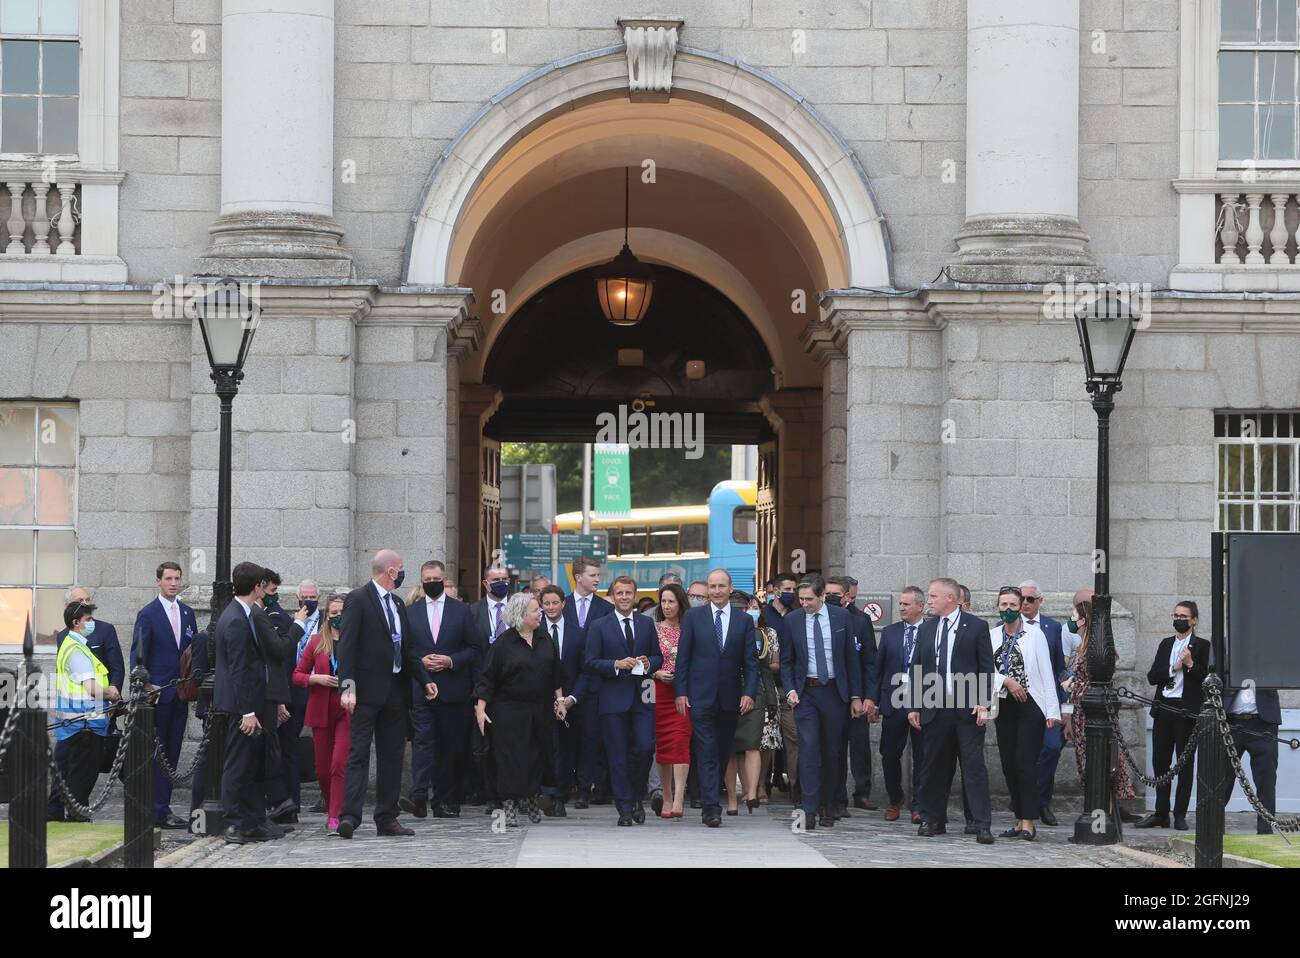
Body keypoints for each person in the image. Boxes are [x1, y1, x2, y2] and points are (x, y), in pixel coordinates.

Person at [336, 549, 438, 839]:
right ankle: (350, 816)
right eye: (401, 568)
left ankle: (386, 817)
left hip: (395, 691)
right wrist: (347, 688)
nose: (403, 573)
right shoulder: (359, 598)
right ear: (391, 572)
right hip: (365, 692)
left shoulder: (396, 603)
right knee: (358, 754)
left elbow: (407, 649)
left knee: (392, 756)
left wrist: (424, 678)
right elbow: (347, 646)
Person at [908, 577, 995, 843]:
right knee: (933, 766)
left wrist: (984, 702)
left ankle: (981, 824)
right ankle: (932, 819)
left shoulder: (976, 626)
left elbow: (986, 667)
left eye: (933, 596)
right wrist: (913, 705)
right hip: (935, 709)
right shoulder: (926, 628)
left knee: (973, 767)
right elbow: (916, 668)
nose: (929, 601)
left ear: (950, 598)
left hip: (967, 710)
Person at [675, 568, 759, 827]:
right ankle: (711, 808)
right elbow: (684, 658)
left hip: (730, 698)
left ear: (730, 588)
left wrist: (749, 693)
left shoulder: (744, 621)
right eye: (712, 586)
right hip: (700, 697)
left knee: (723, 752)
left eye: (721, 586)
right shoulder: (693, 616)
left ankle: (709, 795)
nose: (716, 591)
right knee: (707, 750)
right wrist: (681, 691)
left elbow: (751, 663)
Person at [778, 575, 863, 830]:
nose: (804, 604)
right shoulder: (792, 621)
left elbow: (851, 660)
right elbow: (786, 661)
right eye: (801, 599)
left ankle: (829, 804)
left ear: (823, 596)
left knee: (832, 751)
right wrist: (791, 689)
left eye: (809, 599)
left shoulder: (841, 618)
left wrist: (856, 696)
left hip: (835, 693)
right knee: (809, 749)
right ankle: (809, 808)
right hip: (807, 694)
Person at [475, 592, 566, 827]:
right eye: (536, 610)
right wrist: (481, 708)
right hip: (508, 711)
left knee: (536, 757)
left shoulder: (546, 640)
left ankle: (532, 800)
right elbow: (487, 679)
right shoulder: (503, 644)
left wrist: (560, 701)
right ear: (521, 615)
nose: (540, 614)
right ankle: (509, 807)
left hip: (540, 709)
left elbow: (555, 675)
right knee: (511, 760)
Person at [404, 560, 479, 819]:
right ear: (421, 581)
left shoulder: (461, 611)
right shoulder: (410, 612)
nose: (432, 582)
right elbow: (405, 648)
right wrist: (420, 662)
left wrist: (451, 661)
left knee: (451, 747)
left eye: (436, 578)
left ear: (444, 579)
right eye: (427, 578)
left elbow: (474, 648)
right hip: (422, 688)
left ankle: (446, 800)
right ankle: (420, 796)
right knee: (423, 744)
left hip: (453, 688)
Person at [585, 576, 662, 825]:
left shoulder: (646, 624)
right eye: (620, 593)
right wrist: (615, 665)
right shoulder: (599, 625)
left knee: (644, 748)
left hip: (643, 696)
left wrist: (650, 662)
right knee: (617, 755)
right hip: (612, 698)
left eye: (629, 593)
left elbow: (658, 657)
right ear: (613, 596)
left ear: (635, 595)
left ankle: (638, 795)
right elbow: (590, 662)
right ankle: (625, 807)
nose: (625, 597)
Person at [129, 561, 198, 829]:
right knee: (156, 754)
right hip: (158, 695)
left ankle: (163, 806)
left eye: (177, 578)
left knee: (172, 753)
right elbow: (139, 656)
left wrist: (193, 691)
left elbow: (192, 654)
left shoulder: (188, 612)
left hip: (180, 694)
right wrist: (148, 688)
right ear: (158, 581)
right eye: (168, 578)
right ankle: (155, 808)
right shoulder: (148, 613)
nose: (173, 583)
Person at [988, 586, 1060, 840]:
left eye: (1012, 605)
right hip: (1004, 703)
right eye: (1003, 605)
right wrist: (1006, 680)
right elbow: (984, 669)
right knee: (1008, 763)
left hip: (1031, 704)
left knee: (1024, 762)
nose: (1008, 609)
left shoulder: (1035, 634)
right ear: (998, 607)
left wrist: (1053, 710)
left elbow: (1046, 672)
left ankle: (1029, 820)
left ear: (1020, 607)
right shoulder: (992, 635)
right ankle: (1019, 818)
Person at [48, 586, 123, 822]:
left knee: (71, 771)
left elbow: (115, 666)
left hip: (79, 720)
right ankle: (74, 816)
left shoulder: (76, 642)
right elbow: (90, 687)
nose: (92, 622)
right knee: (81, 775)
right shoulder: (76, 648)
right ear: (77, 621)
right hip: (84, 723)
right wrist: (110, 693)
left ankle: (65, 813)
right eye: (87, 618)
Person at [1136, 600, 1210, 831]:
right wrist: (1174, 668)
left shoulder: (1202, 646)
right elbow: (1153, 676)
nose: (1178, 619)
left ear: (1193, 620)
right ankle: (1160, 812)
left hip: (1186, 712)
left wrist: (1189, 664)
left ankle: (1180, 814)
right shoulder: (1166, 644)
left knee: (1185, 764)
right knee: (1160, 763)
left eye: (1183, 616)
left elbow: (1207, 679)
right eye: (1175, 615)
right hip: (1164, 708)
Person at [214, 562, 274, 844]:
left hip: (252, 701)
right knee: (238, 766)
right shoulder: (236, 618)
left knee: (251, 766)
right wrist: (247, 711)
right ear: (256, 586)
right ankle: (233, 822)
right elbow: (238, 669)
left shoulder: (244, 613)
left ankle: (251, 821)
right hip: (241, 706)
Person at [1062, 588, 1135, 817]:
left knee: (1099, 764)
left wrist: (1073, 686)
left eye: (1074, 616)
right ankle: (1098, 811)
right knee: (1086, 764)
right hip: (1080, 714)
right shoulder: (1081, 646)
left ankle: (1103, 813)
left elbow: (1097, 681)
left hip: (1091, 713)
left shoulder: (1093, 647)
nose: (1071, 620)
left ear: (1083, 619)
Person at [293, 593, 350, 832]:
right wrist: (316, 678)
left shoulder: (353, 640)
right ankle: (331, 804)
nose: (337, 617)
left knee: (339, 763)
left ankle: (335, 814)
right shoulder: (317, 642)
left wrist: (351, 691)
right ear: (327, 615)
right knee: (322, 769)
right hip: (321, 708)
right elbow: (297, 675)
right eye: (334, 613)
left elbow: (359, 673)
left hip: (346, 708)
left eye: (342, 613)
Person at [564, 556, 615, 807]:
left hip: (596, 685)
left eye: (598, 575)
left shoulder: (605, 609)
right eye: (593, 575)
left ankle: (589, 788)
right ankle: (565, 785)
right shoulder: (561, 606)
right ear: (578, 577)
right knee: (567, 739)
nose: (598, 579)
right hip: (567, 685)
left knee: (592, 739)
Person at [259, 570, 307, 824]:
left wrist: (280, 700)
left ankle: (286, 804)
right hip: (279, 694)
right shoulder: (267, 615)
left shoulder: (274, 616)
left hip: (281, 695)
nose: (273, 598)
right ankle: (284, 804)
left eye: (274, 592)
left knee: (282, 751)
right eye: (271, 592)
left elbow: (278, 660)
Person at [828, 575, 878, 815]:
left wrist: (870, 696)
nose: (831, 598)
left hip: (857, 694)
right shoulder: (821, 618)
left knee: (860, 747)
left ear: (847, 595)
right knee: (834, 749)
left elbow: (870, 661)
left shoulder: (861, 620)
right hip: (833, 695)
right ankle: (837, 798)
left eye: (835, 594)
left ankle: (862, 792)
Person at [875, 586, 926, 823]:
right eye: (901, 604)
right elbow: (879, 668)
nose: (902, 608)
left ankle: (919, 804)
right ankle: (895, 799)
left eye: (906, 604)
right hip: (894, 700)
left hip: (925, 700)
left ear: (920, 606)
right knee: (888, 754)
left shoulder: (932, 631)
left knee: (922, 755)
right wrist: (873, 700)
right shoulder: (890, 632)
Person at [1020, 579, 1068, 826]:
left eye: (1030, 599)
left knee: (1050, 748)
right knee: (1022, 755)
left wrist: (1065, 707)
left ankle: (1042, 801)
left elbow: (1060, 668)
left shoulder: (1052, 627)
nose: (1025, 603)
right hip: (1019, 703)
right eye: (1022, 598)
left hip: (1047, 701)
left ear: (1040, 601)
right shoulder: (1006, 625)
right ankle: (1023, 803)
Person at [539, 584, 585, 817]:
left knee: (566, 751)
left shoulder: (578, 632)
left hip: (571, 702)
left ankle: (561, 796)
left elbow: (585, 670)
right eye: (546, 603)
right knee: (546, 748)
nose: (550, 607)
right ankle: (547, 793)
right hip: (541, 702)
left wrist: (571, 699)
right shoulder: (535, 632)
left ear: (563, 604)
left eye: (554, 603)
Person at [1220, 677, 1282, 835]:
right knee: (1222, 778)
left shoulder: (1267, 656)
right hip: (1231, 722)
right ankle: (1214, 828)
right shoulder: (1230, 654)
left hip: (1263, 724)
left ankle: (1265, 830)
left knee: (1266, 780)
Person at [652, 582, 691, 818]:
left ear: (680, 603)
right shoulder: (653, 629)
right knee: (662, 747)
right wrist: (655, 673)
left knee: (680, 743)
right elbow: (644, 660)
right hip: (658, 691)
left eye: (671, 601)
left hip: (682, 692)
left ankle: (679, 799)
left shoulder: (690, 628)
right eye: (663, 601)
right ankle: (666, 796)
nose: (666, 606)